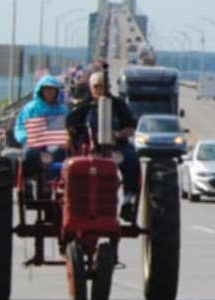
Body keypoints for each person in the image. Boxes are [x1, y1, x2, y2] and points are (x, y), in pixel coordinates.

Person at [66, 68, 141, 220]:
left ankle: (128, 200)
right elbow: (70, 124)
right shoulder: (83, 106)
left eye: (102, 86)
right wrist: (75, 132)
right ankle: (75, 202)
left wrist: (121, 133)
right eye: (96, 87)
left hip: (116, 148)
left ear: (107, 87)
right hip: (88, 149)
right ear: (91, 88)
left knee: (131, 159)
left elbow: (131, 124)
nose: (99, 90)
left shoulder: (118, 105)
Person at [11, 75, 70, 196]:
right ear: (41, 91)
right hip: (34, 142)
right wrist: (25, 138)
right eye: (46, 90)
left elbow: (69, 127)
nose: (49, 93)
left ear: (56, 92)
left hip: (55, 144)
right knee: (28, 155)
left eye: (52, 90)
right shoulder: (30, 108)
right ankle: (27, 182)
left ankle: (55, 182)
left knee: (64, 154)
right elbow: (20, 126)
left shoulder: (63, 110)